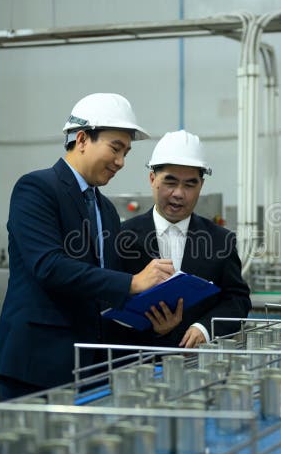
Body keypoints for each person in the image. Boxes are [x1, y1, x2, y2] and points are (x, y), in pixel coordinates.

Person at [0, 93, 179, 400]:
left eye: (126, 152)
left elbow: (101, 294)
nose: (120, 162)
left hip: (92, 368)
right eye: (115, 148)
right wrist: (132, 282)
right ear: (81, 139)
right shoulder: (37, 189)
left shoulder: (104, 209)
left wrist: (153, 320)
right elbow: (49, 266)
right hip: (38, 368)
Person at [107, 130, 251, 349]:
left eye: (189, 185)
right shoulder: (121, 236)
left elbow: (237, 299)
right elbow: (107, 300)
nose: (179, 193)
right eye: (170, 182)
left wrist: (204, 328)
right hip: (135, 364)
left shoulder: (220, 240)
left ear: (201, 186)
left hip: (198, 365)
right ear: (152, 179)